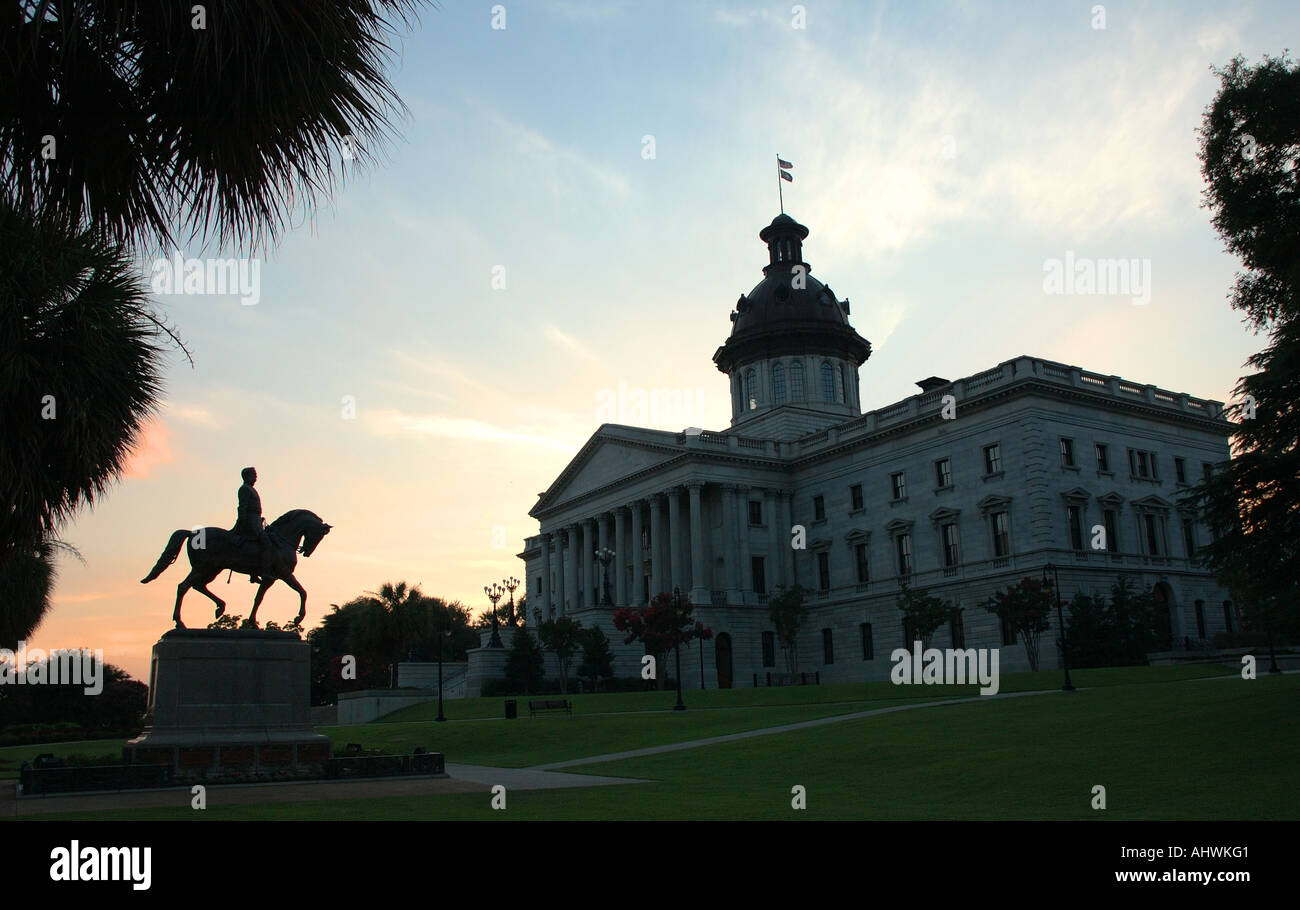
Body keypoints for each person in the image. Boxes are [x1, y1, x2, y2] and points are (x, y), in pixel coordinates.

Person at [235, 467, 274, 584]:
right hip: (251, 521)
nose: (256, 477)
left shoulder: (250, 489)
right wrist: (245, 522)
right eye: (254, 475)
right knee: (266, 543)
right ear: (247, 476)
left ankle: (254, 573)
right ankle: (264, 573)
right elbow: (242, 507)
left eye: (256, 475)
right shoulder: (244, 489)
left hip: (256, 519)